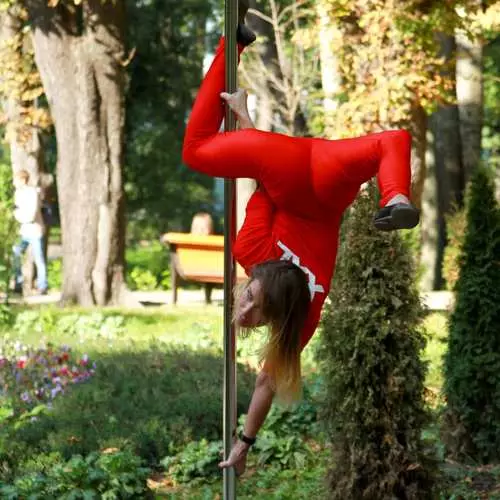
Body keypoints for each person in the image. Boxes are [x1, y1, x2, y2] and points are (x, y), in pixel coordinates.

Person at [182, 2, 419, 476]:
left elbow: (266, 182)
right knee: (195, 151)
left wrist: (248, 122)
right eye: (255, 306)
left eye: (246, 302)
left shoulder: (302, 308)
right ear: (279, 309)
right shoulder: (251, 254)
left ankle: (396, 197)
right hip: (297, 174)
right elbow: (267, 383)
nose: (243, 312)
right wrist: (246, 128)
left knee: (390, 141)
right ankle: (233, 41)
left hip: (323, 177)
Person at [12, 169, 48, 295]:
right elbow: (15, 210)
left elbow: (31, 214)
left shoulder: (32, 193)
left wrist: (19, 216)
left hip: (34, 229)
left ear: (22, 180)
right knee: (16, 252)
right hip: (24, 231)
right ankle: (18, 282)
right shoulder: (18, 193)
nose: (14, 182)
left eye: (16, 180)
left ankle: (42, 286)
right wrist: (18, 215)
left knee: (39, 258)